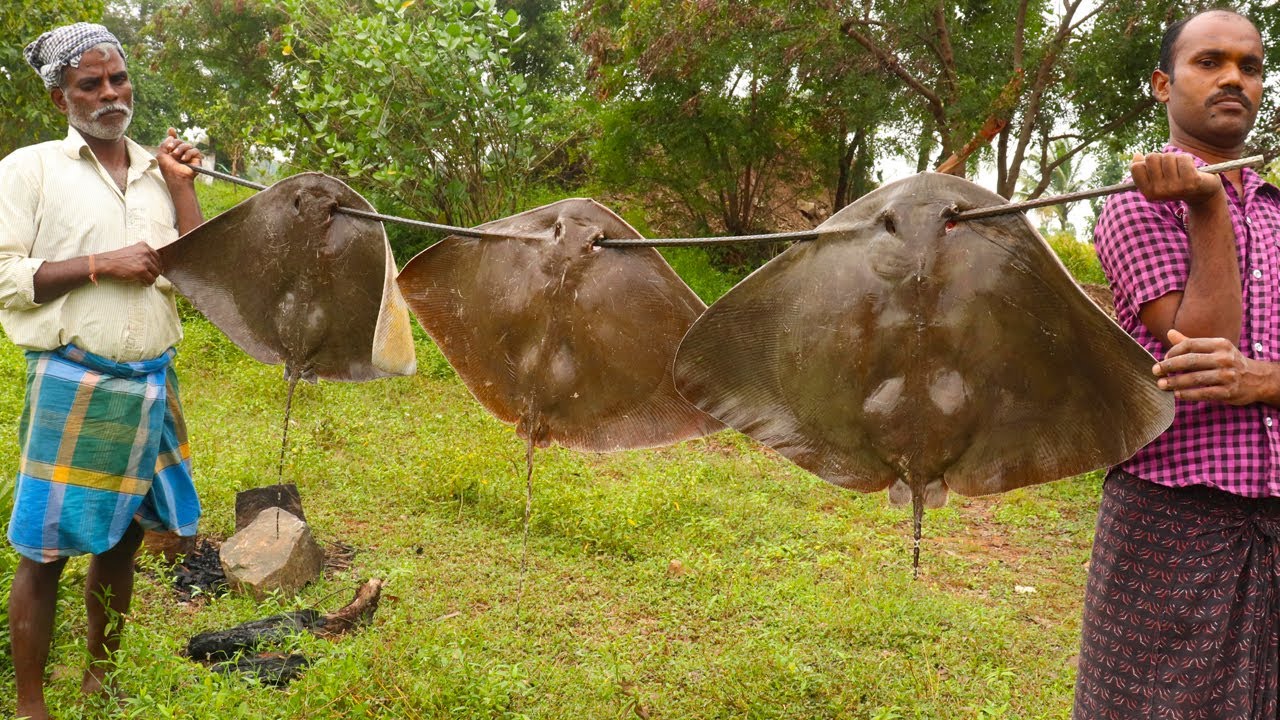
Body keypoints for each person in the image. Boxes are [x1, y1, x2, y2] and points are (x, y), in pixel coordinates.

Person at [1077, 8, 1280, 719]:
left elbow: (1242, 372)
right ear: (1163, 84)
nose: (1234, 78)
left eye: (1250, 66)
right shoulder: (1133, 209)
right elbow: (1201, 348)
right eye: (1210, 62)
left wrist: (1266, 380)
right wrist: (1207, 202)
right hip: (1173, 521)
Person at [0, 22, 205, 719]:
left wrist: (182, 187)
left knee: (120, 542)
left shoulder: (157, 170)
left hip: (150, 382)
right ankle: (31, 706)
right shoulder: (30, 170)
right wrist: (100, 264)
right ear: (62, 97)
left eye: (118, 79)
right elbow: (4, 278)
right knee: (46, 549)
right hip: (72, 381)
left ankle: (101, 680)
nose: (111, 94)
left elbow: (193, 275)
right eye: (91, 84)